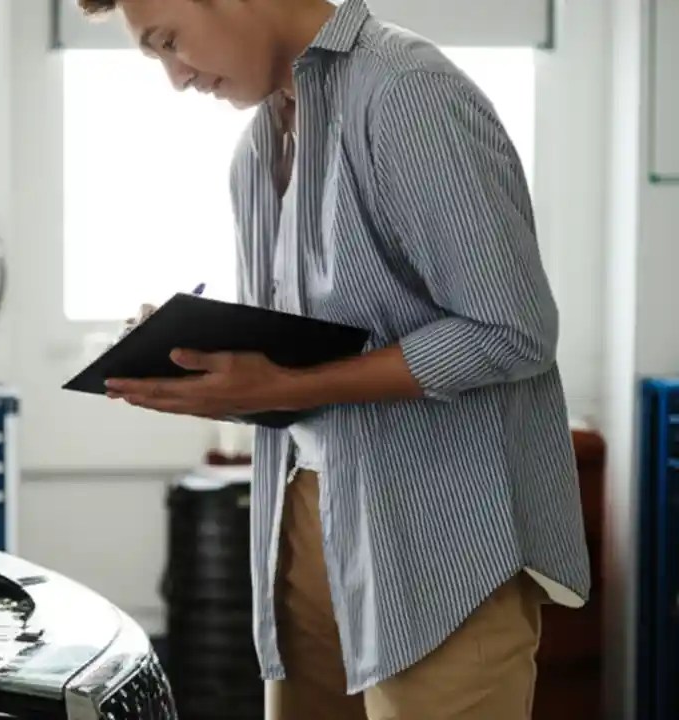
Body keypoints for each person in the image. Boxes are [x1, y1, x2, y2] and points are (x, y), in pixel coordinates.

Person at [81, 0, 592, 718]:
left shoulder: (407, 94)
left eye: (169, 41)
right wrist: (196, 347)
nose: (176, 77)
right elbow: (331, 324)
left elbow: (511, 330)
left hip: (436, 548)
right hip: (302, 521)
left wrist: (290, 382)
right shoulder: (258, 146)